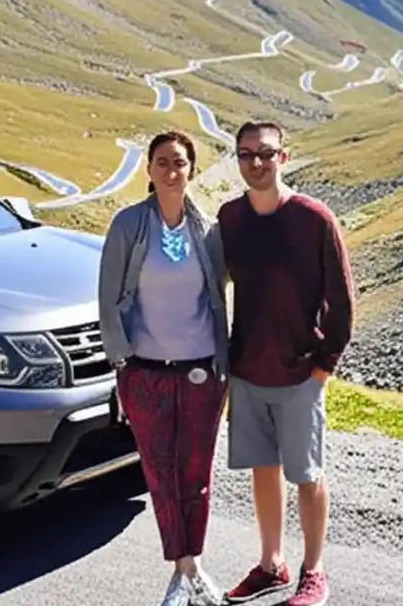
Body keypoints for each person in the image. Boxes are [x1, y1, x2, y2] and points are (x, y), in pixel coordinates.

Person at [216, 121, 355, 606]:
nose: (256, 162)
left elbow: (342, 299)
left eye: (266, 153)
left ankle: (314, 571)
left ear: (284, 157)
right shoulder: (230, 217)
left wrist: (324, 366)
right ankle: (271, 564)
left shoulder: (314, 219)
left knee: (307, 474)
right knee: (263, 468)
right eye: (246, 154)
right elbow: (214, 284)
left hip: (300, 373)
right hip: (248, 369)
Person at [98, 131, 232, 606]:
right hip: (145, 371)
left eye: (179, 162)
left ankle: (191, 569)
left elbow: (223, 292)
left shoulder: (209, 230)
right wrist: (120, 359)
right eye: (162, 162)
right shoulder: (128, 225)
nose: (171, 171)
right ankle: (182, 571)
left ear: (191, 169)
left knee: (197, 474)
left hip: (202, 371)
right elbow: (108, 296)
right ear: (149, 170)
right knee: (160, 475)